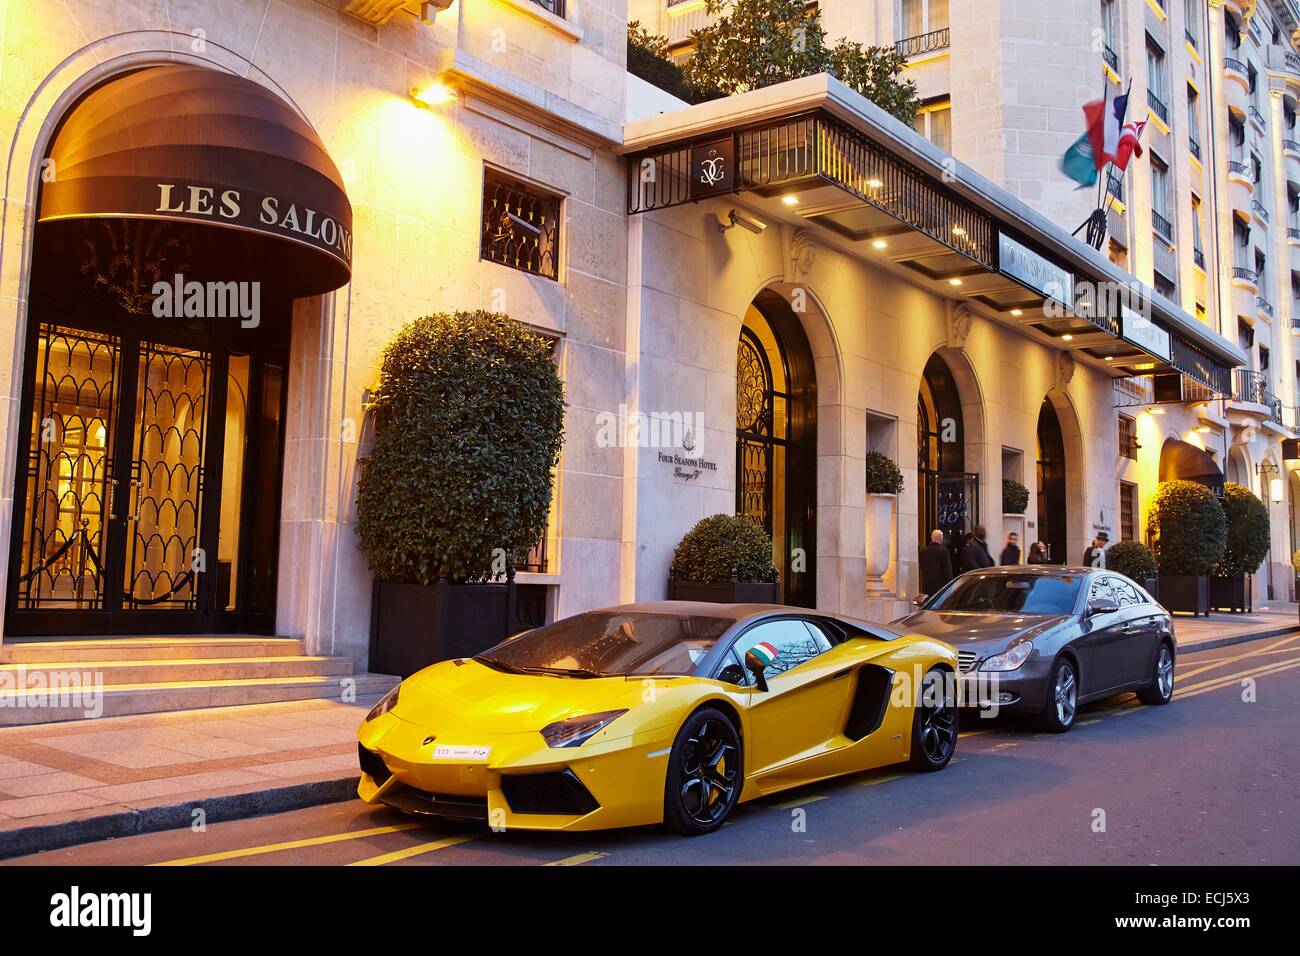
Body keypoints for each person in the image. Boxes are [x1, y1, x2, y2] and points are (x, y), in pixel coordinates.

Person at [918, 529, 954, 597]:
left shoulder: (923, 551)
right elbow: (947, 570)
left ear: (932, 538)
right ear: (941, 538)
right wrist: (951, 583)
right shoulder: (944, 551)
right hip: (941, 586)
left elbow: (921, 566)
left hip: (927, 585)